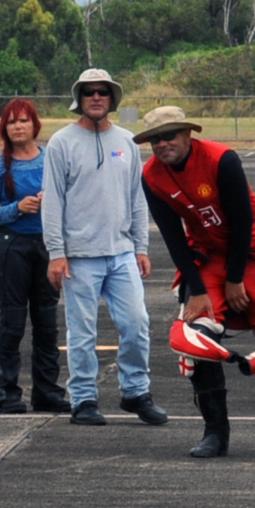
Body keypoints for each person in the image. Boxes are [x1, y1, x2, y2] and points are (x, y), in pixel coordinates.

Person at [137, 107, 255, 459]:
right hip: (207, 254)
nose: (162, 144)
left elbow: (242, 221)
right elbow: (173, 237)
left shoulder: (221, 159)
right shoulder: (151, 175)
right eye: (154, 139)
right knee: (196, 338)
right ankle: (215, 432)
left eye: (169, 135)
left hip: (252, 250)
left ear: (188, 134)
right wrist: (197, 290)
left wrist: (235, 278)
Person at [42, 68, 166, 428]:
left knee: (137, 323)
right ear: (78, 98)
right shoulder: (61, 142)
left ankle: (136, 392)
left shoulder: (127, 141)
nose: (96, 97)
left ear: (112, 98)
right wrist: (56, 253)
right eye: (88, 92)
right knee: (82, 333)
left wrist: (141, 246)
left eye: (102, 92)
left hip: (122, 252)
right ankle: (83, 398)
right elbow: (53, 202)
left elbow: (137, 198)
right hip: (79, 256)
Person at [0, 98, 67, 414]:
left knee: (47, 323)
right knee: (13, 321)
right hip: (12, 246)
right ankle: (7, 392)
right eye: (12, 122)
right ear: (5, 128)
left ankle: (47, 392)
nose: (18, 127)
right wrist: (16, 208)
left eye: (24, 120)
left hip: (47, 247)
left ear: (35, 125)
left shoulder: (51, 161)